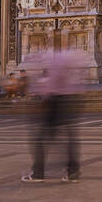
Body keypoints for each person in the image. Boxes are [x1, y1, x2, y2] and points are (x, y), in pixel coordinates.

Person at [23, 50, 84, 182]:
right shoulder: (73, 56)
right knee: (69, 138)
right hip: (71, 99)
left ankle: (37, 173)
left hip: (55, 101)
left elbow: (52, 84)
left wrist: (41, 102)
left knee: (40, 138)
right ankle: (73, 171)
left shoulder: (55, 59)